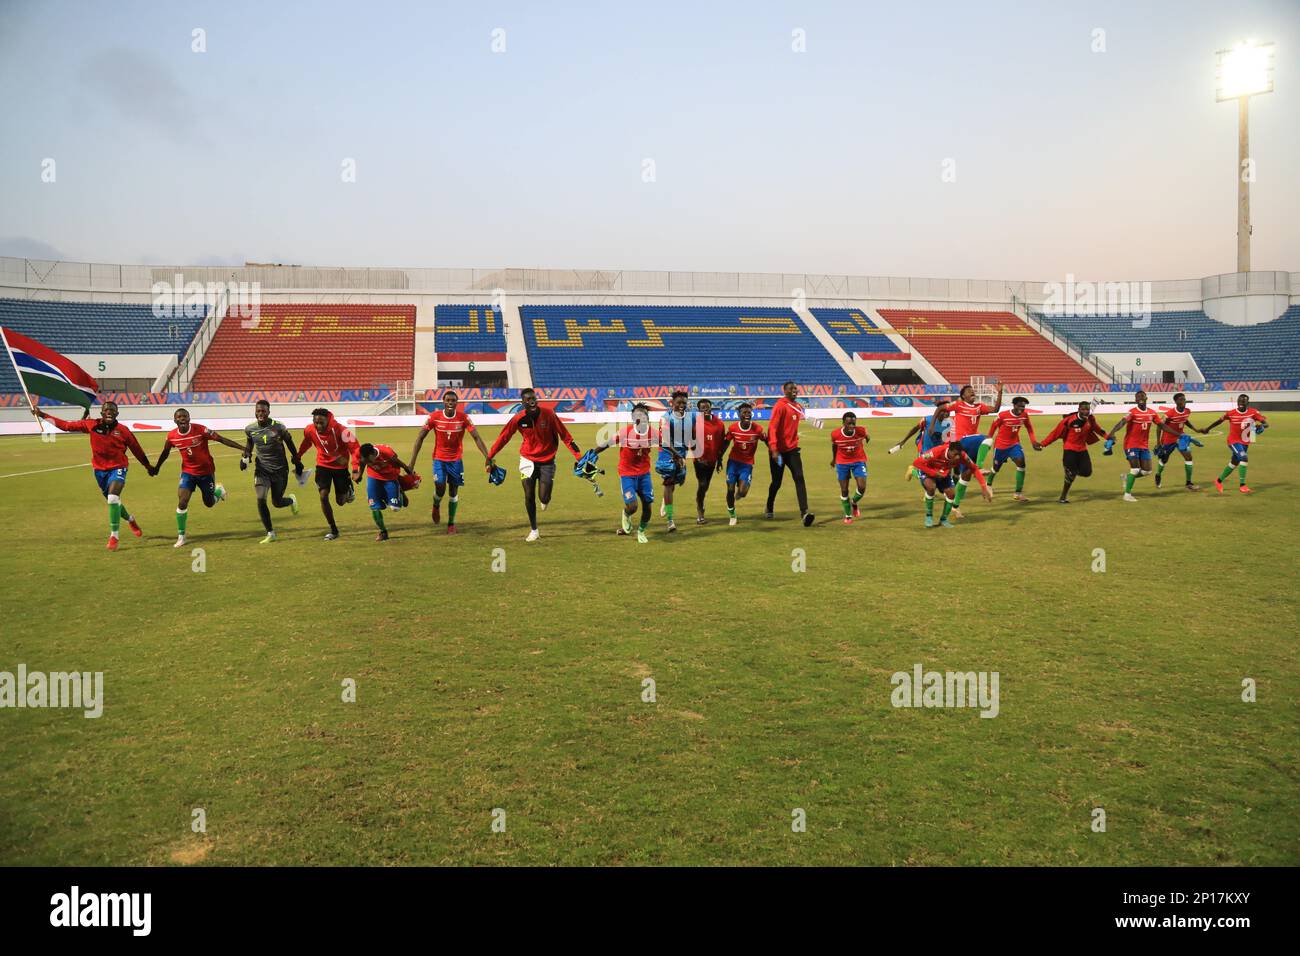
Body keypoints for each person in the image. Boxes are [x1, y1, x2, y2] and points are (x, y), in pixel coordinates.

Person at [30, 398, 148, 550]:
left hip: (118, 466)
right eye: (106, 410)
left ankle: (114, 536)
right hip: (99, 470)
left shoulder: (123, 431)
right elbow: (65, 426)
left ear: (117, 413)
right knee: (114, 501)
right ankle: (130, 519)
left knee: (112, 497)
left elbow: (136, 449)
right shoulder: (91, 424)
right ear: (101, 413)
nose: (109, 412)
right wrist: (42, 414)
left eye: (112, 410)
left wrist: (148, 466)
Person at [484, 388, 584, 541]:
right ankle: (534, 530)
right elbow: (503, 437)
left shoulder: (549, 414)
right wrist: (490, 456)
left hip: (547, 461)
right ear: (523, 403)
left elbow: (566, 436)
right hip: (527, 460)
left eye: (534, 398)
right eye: (528, 399)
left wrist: (579, 457)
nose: (532, 401)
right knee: (529, 495)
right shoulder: (518, 419)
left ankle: (545, 500)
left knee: (544, 497)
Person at [151, 408, 246, 548]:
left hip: (206, 472)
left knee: (209, 503)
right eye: (179, 417)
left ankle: (218, 492)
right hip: (188, 473)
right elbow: (165, 452)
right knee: (182, 501)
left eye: (185, 416)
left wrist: (243, 448)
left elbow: (221, 439)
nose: (182, 418)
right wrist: (157, 467)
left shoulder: (201, 430)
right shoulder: (172, 436)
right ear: (175, 420)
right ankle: (181, 536)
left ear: (189, 419)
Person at [409, 389, 491, 534]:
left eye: (453, 401)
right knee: (440, 486)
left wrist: (488, 457)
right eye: (448, 401)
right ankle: (436, 505)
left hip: (456, 460)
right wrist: (411, 463)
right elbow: (420, 437)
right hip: (439, 459)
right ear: (443, 402)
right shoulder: (434, 417)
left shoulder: (463, 418)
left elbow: (476, 437)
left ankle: (451, 524)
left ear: (456, 402)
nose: (450, 403)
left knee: (453, 492)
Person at [590, 403, 659, 543]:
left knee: (648, 505)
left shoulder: (653, 433)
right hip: (627, 474)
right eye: (638, 415)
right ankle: (626, 514)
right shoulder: (624, 432)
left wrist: (676, 456)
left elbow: (665, 444)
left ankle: (641, 531)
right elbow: (607, 443)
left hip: (644, 474)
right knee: (633, 506)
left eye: (644, 414)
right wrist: (590, 455)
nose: (641, 417)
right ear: (633, 418)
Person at [240, 400, 304, 543]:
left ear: (269, 412)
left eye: (263, 411)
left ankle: (291, 500)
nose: (260, 414)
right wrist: (245, 456)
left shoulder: (279, 428)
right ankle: (270, 533)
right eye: (258, 411)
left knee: (277, 502)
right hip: (262, 469)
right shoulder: (250, 429)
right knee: (261, 499)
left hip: (280, 470)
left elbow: (290, 443)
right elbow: (250, 442)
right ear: (255, 412)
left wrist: (297, 460)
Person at [1103, 390, 1182, 502]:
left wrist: (1178, 435)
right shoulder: (1132, 412)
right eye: (1138, 396)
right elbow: (1122, 422)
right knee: (1135, 469)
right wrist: (1111, 433)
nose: (1140, 398)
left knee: (1147, 471)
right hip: (1131, 444)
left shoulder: (1152, 413)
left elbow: (1162, 426)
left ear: (1146, 398)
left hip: (1143, 445)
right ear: (1135, 400)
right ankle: (1127, 494)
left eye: (1142, 396)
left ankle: (1126, 477)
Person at [297, 408, 360, 540]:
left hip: (340, 467)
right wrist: (299, 455)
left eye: (321, 423)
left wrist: (355, 469)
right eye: (316, 423)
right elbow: (307, 442)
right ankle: (333, 529)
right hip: (322, 465)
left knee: (340, 502)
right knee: (323, 496)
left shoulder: (342, 430)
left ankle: (348, 489)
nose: (318, 426)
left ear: (328, 420)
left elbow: (355, 449)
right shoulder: (309, 430)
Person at [765, 380, 815, 526]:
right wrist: (773, 449)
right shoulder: (780, 406)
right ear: (784, 390)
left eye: (796, 388)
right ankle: (769, 504)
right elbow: (772, 428)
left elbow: (791, 428)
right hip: (778, 453)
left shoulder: (798, 407)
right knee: (777, 482)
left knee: (799, 477)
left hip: (792, 451)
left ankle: (804, 513)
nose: (795, 390)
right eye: (791, 388)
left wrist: (795, 440)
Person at [1038, 401, 1107, 504]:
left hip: (1083, 449)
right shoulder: (1068, 421)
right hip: (1069, 449)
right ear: (1078, 409)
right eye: (1083, 409)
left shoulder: (1090, 419)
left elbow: (1097, 429)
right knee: (1071, 476)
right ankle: (1063, 496)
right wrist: (1042, 444)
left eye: (1087, 409)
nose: (1086, 411)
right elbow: (1055, 434)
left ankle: (1071, 472)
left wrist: (1108, 437)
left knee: (1087, 473)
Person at [949, 382, 1002, 515]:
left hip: (970, 445)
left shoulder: (979, 407)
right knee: (988, 439)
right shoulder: (959, 405)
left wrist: (1000, 392)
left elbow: (995, 409)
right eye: (969, 391)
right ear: (963, 396)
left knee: (965, 477)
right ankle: (978, 467)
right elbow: (943, 409)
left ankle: (955, 506)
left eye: (973, 391)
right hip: (961, 441)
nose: (972, 392)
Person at [911, 440, 992, 527]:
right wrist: (933, 473)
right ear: (949, 450)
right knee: (931, 487)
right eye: (955, 454)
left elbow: (974, 468)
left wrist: (984, 487)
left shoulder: (962, 455)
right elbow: (917, 463)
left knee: (951, 494)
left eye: (959, 454)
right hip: (928, 471)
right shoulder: (936, 451)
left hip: (943, 473)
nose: (957, 457)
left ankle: (943, 520)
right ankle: (929, 516)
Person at [1204, 394, 1269, 495]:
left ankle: (1218, 481)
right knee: (1244, 458)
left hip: (1245, 442)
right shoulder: (1231, 413)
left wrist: (1261, 427)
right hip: (1233, 441)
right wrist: (1208, 428)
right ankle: (1242, 485)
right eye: (1239, 401)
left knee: (1234, 463)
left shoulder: (1253, 412)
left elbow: (1265, 423)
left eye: (1244, 401)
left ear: (1248, 403)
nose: (1241, 403)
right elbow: (1219, 421)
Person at [720, 402, 772, 526]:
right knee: (730, 489)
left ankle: (740, 491)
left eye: (749, 412)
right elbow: (726, 443)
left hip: (747, 464)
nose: (747, 414)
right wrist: (719, 458)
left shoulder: (757, 429)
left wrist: (773, 451)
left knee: (742, 492)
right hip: (733, 462)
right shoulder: (733, 428)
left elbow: (766, 440)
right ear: (739, 415)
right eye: (744, 412)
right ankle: (732, 515)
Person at [352, 442, 415, 540]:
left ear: (372, 455)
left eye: (367, 458)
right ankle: (383, 532)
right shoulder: (362, 453)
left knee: (395, 508)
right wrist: (359, 474)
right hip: (373, 477)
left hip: (390, 478)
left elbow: (398, 462)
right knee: (374, 506)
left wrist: (408, 470)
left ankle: (400, 491)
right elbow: (361, 461)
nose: (364, 460)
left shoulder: (387, 452)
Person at [985, 397, 1042, 502]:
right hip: (1001, 446)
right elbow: (993, 427)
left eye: (1023, 407)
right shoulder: (1002, 415)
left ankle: (1018, 493)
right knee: (996, 468)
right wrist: (988, 442)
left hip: (1014, 444)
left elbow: (1029, 428)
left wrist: (1033, 441)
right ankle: (988, 485)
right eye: (1020, 406)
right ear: (1014, 405)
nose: (1022, 408)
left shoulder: (1024, 416)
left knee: (1021, 464)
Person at [656, 390, 697, 532]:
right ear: (672, 403)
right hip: (667, 452)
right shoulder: (666, 418)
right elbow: (665, 441)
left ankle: (665, 499)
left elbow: (692, 433)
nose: (681, 405)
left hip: (681, 452)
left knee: (677, 481)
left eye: (684, 403)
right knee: (669, 482)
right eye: (678, 402)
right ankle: (670, 520)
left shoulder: (690, 416)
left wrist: (694, 447)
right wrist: (677, 456)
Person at [829, 411, 869, 524]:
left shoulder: (860, 430)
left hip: (858, 460)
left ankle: (854, 502)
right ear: (843, 423)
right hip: (842, 462)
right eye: (849, 424)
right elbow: (834, 446)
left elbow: (865, 433)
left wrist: (867, 437)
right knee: (844, 489)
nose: (852, 426)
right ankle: (848, 515)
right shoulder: (835, 434)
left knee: (862, 487)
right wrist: (833, 460)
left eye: (853, 423)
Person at [693, 398, 727, 525]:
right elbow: (690, 442)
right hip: (699, 461)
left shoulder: (719, 423)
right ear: (699, 410)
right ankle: (700, 510)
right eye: (702, 408)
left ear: (711, 407)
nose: (705, 409)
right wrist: (697, 456)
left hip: (712, 461)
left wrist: (719, 460)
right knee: (702, 484)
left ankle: (700, 500)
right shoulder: (695, 423)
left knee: (705, 486)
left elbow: (721, 443)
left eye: (707, 407)